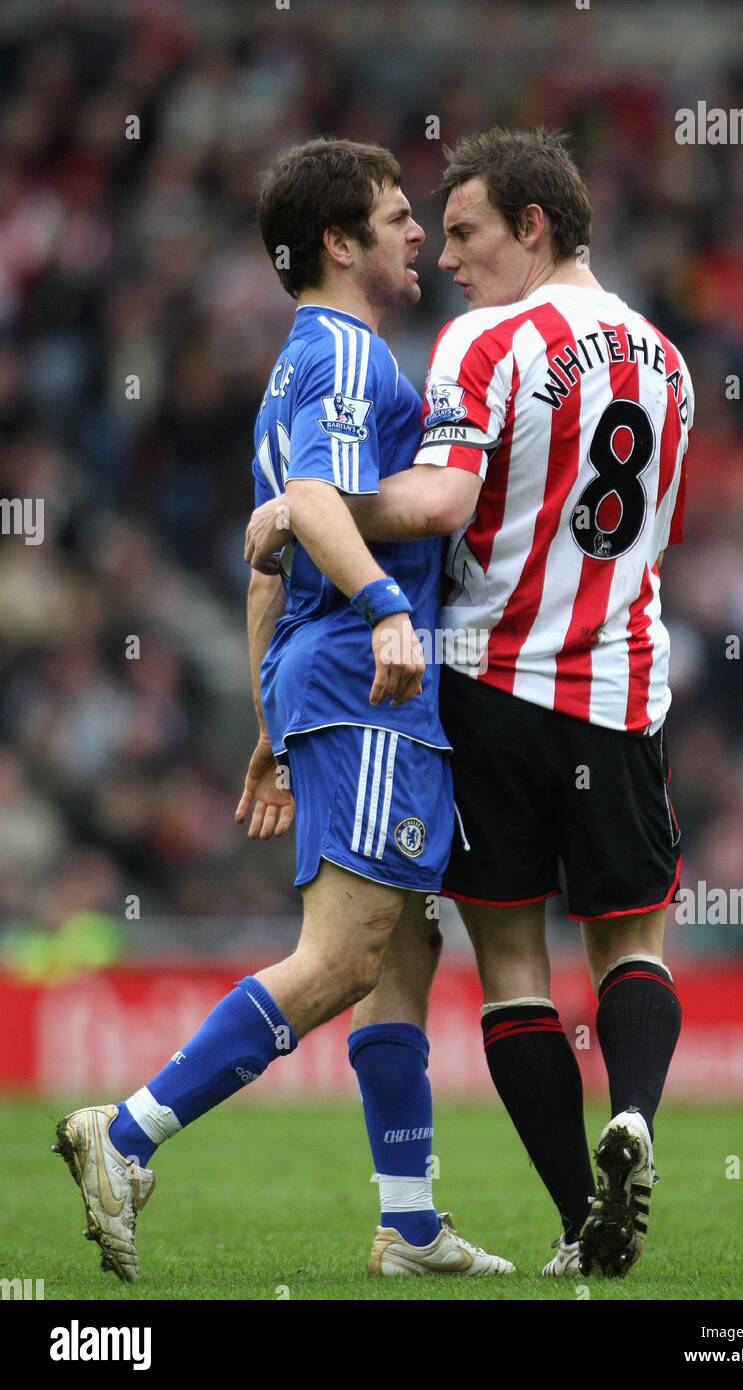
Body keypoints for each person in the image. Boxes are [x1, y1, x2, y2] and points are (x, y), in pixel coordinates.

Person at [53, 138, 512, 1283]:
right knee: (347, 951)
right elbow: (311, 503)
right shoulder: (351, 357)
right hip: (368, 673)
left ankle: (406, 1222)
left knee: (400, 940)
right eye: (398, 216)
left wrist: (266, 720)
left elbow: (267, 561)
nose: (419, 235)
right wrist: (383, 611)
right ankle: (124, 1131)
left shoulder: (299, 361)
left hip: (321, 675)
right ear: (337, 245)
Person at [247, 126, 693, 1280]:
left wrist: (315, 506)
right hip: (618, 687)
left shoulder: (485, 340)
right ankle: (633, 1113)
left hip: (490, 686)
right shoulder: (668, 361)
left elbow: (442, 502)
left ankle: (568, 1221)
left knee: (508, 966)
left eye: (464, 231)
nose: (443, 255)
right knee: (632, 940)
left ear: (532, 226)